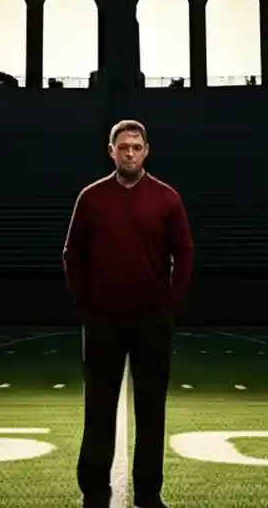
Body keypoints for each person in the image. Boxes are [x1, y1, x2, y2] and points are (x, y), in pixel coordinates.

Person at [62, 119, 194, 508]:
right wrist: (85, 303)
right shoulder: (91, 197)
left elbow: (183, 252)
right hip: (102, 320)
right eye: (124, 147)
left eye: (137, 147)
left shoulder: (167, 198)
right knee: (98, 408)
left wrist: (171, 304)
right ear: (111, 151)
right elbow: (72, 253)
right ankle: (94, 493)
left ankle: (149, 494)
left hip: (152, 319)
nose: (130, 153)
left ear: (147, 151)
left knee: (151, 411)